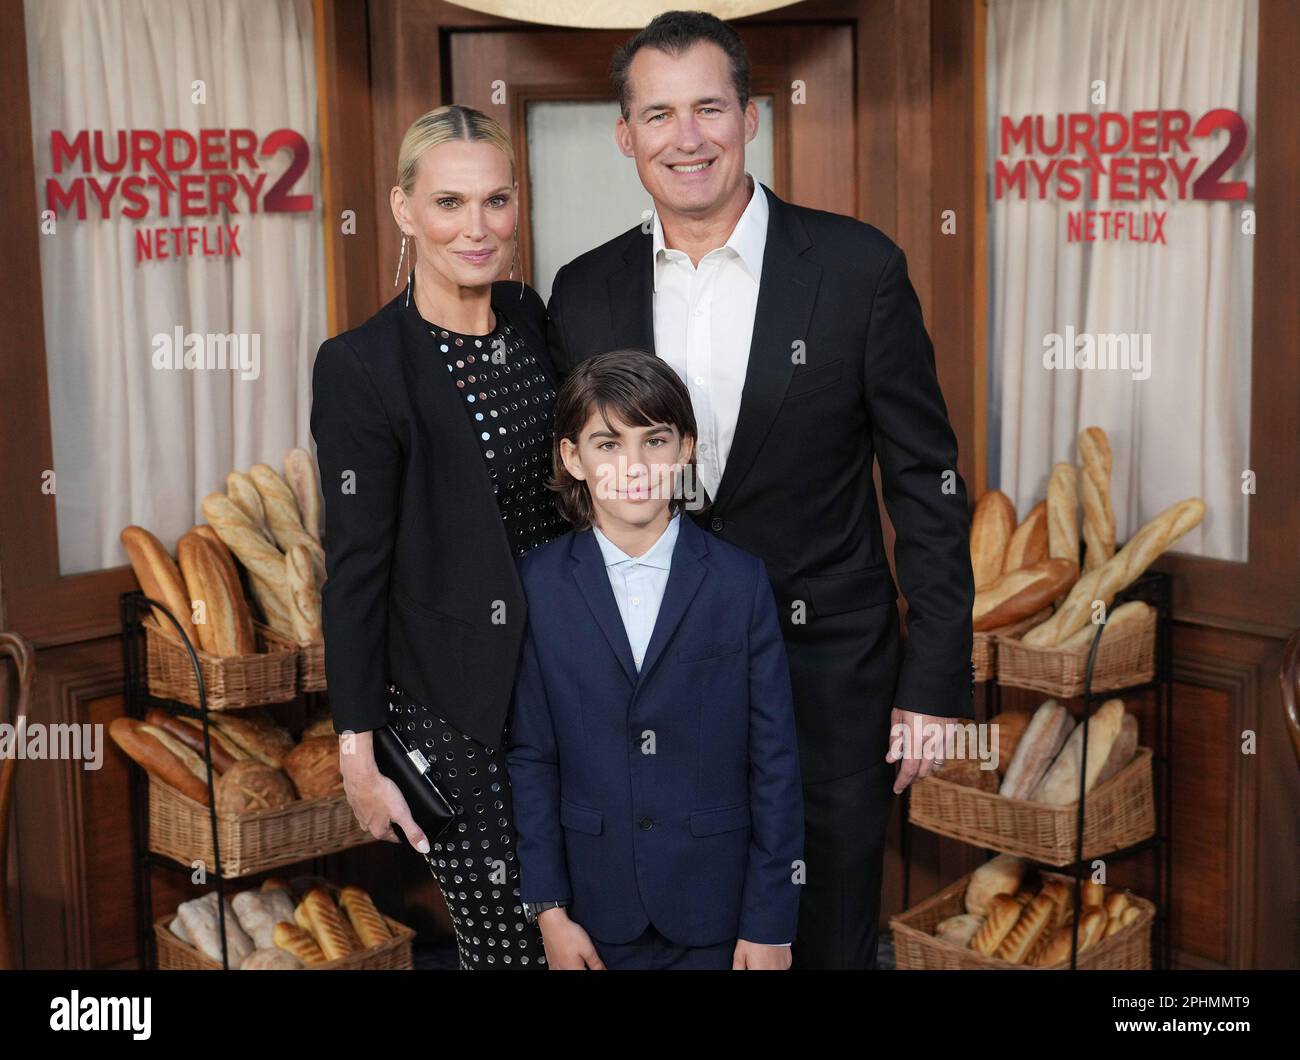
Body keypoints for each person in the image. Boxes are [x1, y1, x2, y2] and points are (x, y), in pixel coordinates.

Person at [545, 11, 976, 969]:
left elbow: (927, 483)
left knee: (820, 933)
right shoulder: (583, 290)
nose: (685, 136)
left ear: (751, 118)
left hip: (826, 667)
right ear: (627, 137)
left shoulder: (860, 269)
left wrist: (936, 683)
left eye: (709, 107)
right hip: (650, 677)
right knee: (676, 931)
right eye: (658, 114)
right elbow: (574, 488)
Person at [310, 104, 568, 970]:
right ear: (402, 208)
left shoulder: (533, 321)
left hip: (568, 678)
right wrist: (357, 752)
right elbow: (354, 571)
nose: (478, 227)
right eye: (450, 203)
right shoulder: (362, 365)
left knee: (583, 930)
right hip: (457, 711)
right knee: (508, 948)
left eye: (497, 201)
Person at [505, 350, 804, 970]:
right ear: (572, 459)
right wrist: (549, 911)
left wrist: (771, 922)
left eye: (655, 440)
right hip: (593, 909)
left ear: (686, 449)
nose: (634, 468)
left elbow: (774, 762)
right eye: (607, 444)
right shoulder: (537, 585)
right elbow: (533, 757)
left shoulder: (740, 582)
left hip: (719, 911)